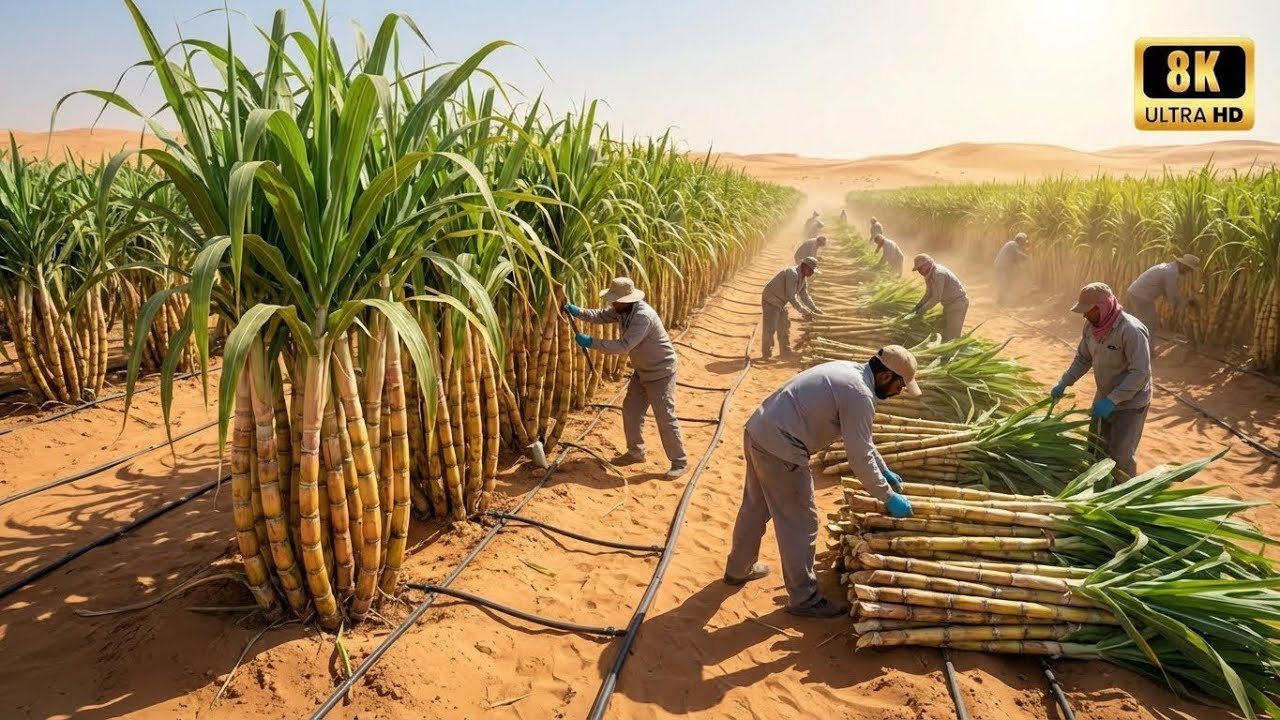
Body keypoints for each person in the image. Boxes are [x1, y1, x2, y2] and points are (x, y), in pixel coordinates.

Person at [723, 347, 921, 618]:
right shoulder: (860, 395)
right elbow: (858, 457)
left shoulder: (852, 372)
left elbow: (862, 441)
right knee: (800, 521)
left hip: (759, 429)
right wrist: (888, 497)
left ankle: (738, 569)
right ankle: (804, 598)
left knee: (755, 507)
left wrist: (884, 470)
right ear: (886, 376)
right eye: (900, 385)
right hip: (782, 447)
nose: (899, 392)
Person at [565, 277, 687, 479]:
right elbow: (600, 316)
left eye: (615, 300)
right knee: (631, 409)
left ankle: (679, 461)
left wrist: (591, 342)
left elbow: (623, 346)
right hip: (642, 370)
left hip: (661, 371)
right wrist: (578, 311)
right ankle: (636, 452)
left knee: (664, 415)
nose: (612, 304)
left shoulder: (643, 316)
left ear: (628, 300)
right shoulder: (622, 310)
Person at [1050, 283, 1151, 482]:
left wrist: (1114, 400)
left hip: (1130, 403)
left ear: (1103, 306)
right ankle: (1098, 489)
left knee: (1120, 456)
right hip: (1104, 396)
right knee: (1096, 448)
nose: (1085, 316)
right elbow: (1083, 358)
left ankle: (1123, 495)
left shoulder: (1131, 330)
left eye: (1089, 311)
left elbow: (1141, 373)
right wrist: (1064, 382)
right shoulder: (1090, 327)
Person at [760, 256, 822, 360]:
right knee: (770, 328)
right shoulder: (792, 274)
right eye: (811, 270)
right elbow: (791, 296)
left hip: (781, 302)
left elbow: (804, 296)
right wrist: (804, 311)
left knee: (784, 325)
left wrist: (815, 309)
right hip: (771, 299)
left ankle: (785, 350)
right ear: (804, 266)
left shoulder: (803, 278)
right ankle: (767, 354)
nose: (812, 273)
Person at [1126, 254, 1201, 338]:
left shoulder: (1168, 268)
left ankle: (1132, 345)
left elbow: (1168, 292)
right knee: (1148, 325)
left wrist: (1182, 301)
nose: (1188, 272)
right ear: (1183, 265)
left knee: (1139, 322)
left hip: (1135, 293)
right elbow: (1171, 295)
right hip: (1141, 297)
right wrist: (1187, 302)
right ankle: (1146, 349)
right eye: (1188, 269)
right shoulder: (1171, 273)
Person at [909, 254, 969, 340]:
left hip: (957, 304)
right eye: (918, 269)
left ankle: (955, 350)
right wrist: (917, 306)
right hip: (949, 304)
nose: (919, 271)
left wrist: (921, 311)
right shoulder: (929, 275)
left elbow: (936, 298)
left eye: (920, 268)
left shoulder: (938, 274)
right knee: (945, 328)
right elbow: (928, 294)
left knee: (952, 335)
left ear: (927, 264)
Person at [993, 232, 1030, 306]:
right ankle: (1000, 302)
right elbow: (1017, 254)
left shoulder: (1013, 245)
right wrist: (1027, 257)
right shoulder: (1012, 244)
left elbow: (1014, 258)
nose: (1023, 244)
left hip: (1003, 266)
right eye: (1023, 242)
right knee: (1004, 283)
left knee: (1007, 282)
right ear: (1020, 240)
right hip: (1001, 266)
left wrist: (1019, 266)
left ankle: (1004, 300)